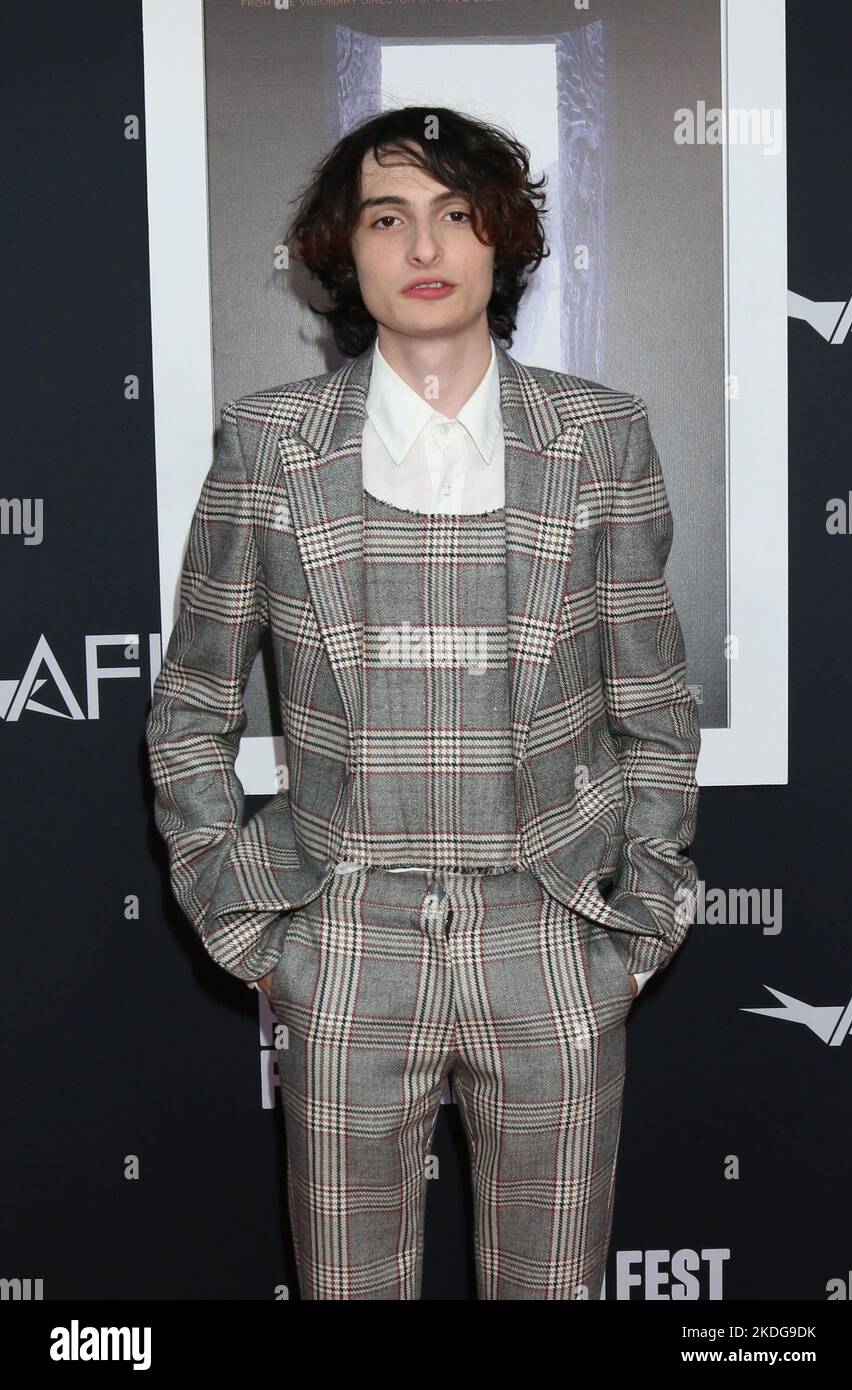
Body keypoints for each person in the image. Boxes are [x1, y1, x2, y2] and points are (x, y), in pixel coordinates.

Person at [145, 105, 701, 1300]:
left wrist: (636, 920)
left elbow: (651, 702)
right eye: (387, 218)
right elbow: (191, 700)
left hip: (550, 937)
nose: (423, 245)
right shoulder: (267, 442)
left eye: (456, 214)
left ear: (501, 242)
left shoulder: (600, 438)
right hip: (343, 938)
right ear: (344, 250)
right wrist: (240, 916)